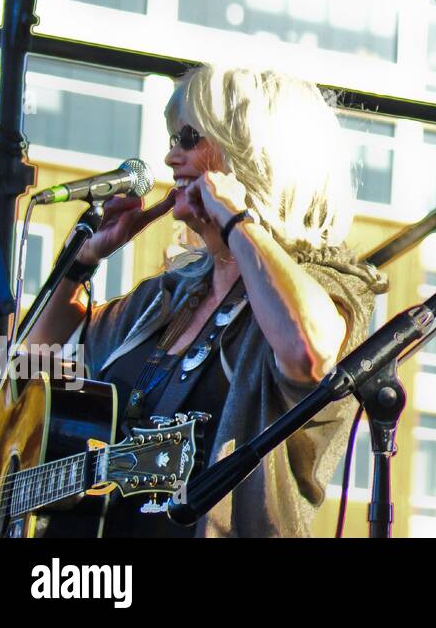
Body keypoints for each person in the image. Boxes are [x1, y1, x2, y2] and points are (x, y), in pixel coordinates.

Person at [27, 64, 387, 537]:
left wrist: (237, 218)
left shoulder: (327, 286)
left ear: (254, 156)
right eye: (173, 139)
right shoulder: (168, 295)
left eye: (190, 138)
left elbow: (307, 351)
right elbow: (33, 364)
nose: (171, 156)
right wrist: (81, 263)